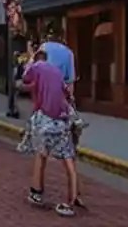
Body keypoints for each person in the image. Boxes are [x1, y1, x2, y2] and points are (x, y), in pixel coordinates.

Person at [22, 49, 85, 218]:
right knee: (68, 160)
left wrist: (29, 63)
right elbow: (67, 93)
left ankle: (36, 193)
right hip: (61, 121)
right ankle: (72, 200)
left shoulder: (36, 67)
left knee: (41, 155)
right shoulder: (56, 71)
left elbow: (25, 78)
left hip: (45, 119)